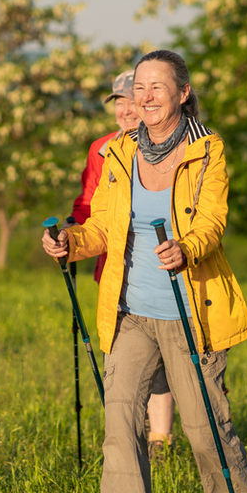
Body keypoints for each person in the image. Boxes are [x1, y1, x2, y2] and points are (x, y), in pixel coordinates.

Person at [42, 50, 247, 493]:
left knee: (205, 431)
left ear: (182, 93)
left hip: (191, 311)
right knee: (120, 428)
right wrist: (70, 242)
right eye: (138, 87)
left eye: (156, 86)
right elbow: (100, 227)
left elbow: (212, 222)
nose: (144, 96)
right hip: (131, 313)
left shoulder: (208, 151)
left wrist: (185, 248)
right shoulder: (117, 153)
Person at [70, 69, 176, 462]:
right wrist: (72, 232)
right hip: (114, 266)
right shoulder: (101, 148)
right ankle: (139, 433)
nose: (125, 108)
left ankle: (160, 437)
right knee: (124, 351)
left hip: (162, 263)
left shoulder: (173, 144)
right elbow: (89, 201)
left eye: (131, 99)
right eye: (118, 101)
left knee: (167, 359)